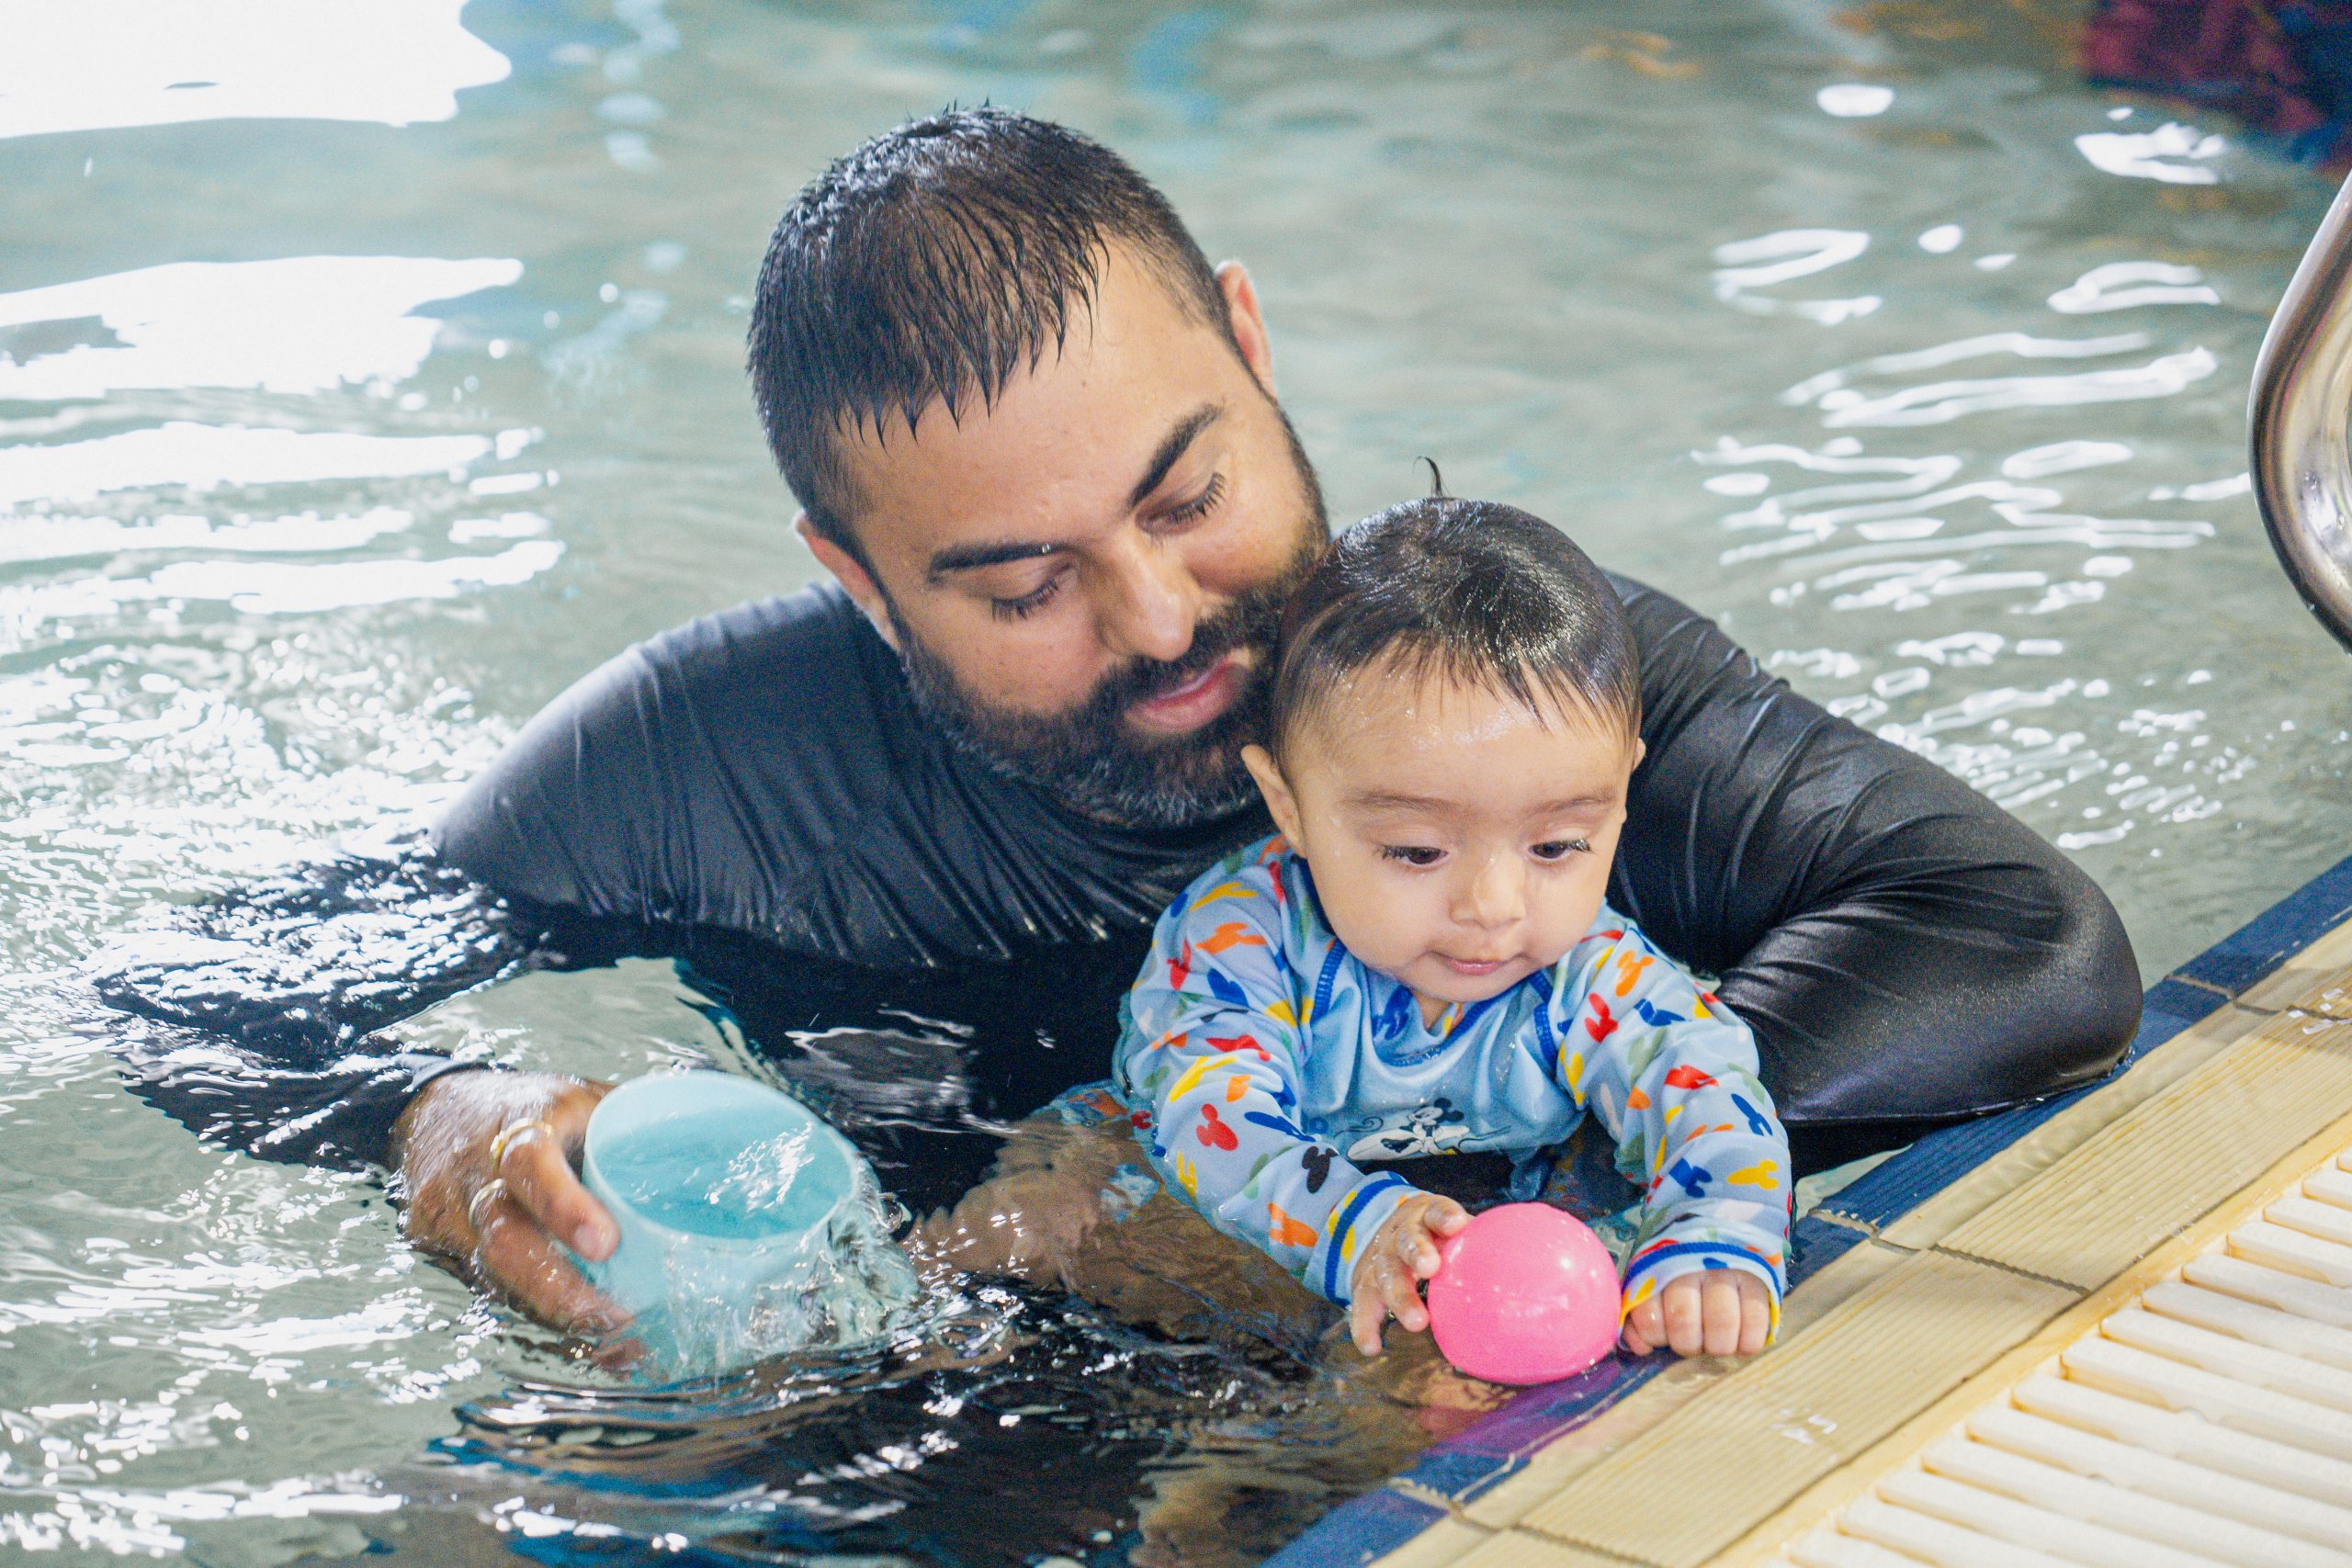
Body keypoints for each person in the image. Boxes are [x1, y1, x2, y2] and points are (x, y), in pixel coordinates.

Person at [99, 107, 2142, 1338]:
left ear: (1250, 348)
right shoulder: (715, 762)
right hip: (928, 1374)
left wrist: (1500, 1186)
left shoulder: (1496, 678)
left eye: (1188, 494)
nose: (1164, 618)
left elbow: (2014, 939)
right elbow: (188, 996)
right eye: (1018, 582)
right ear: (854, 576)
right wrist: (433, 1117)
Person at [1116, 496, 1788, 1362]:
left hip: (1452, 1219)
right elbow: (1211, 1121)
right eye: (1418, 850)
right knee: (1067, 1216)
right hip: (1172, 1185)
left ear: (1621, 795)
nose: (1494, 905)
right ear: (1289, 806)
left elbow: (1709, 1086)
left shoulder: (1589, 971)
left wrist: (1713, 1238)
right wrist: (1357, 1225)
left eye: (1556, 844)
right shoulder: (1236, 944)